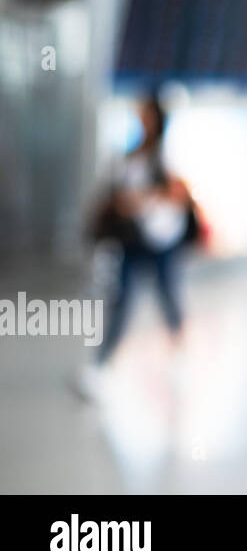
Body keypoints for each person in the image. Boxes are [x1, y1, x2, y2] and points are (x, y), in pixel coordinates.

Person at [78, 97, 195, 397]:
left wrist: (143, 199)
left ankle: (180, 357)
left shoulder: (167, 156)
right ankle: (100, 369)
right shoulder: (129, 157)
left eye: (147, 115)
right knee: (122, 302)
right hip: (134, 240)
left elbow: (179, 194)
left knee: (169, 299)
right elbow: (115, 195)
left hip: (163, 242)